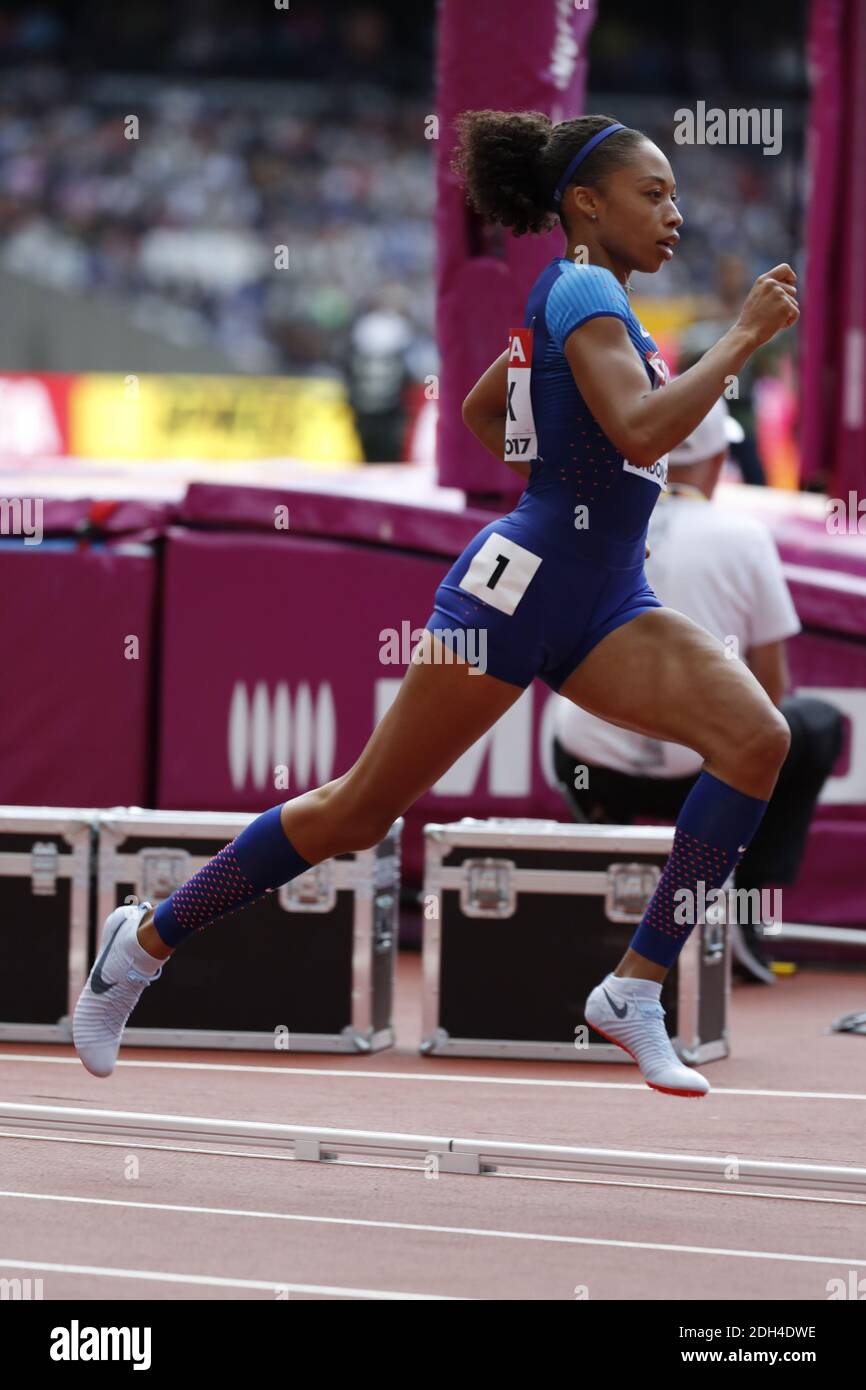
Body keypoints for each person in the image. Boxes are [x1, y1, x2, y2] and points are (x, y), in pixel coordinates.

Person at [73, 113, 800, 1099]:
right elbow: (634, 431)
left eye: (674, 195)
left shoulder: (586, 302)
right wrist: (742, 340)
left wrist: (553, 472)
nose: (675, 214)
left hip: (604, 598)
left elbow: (484, 409)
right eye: (653, 193)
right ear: (584, 204)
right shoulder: (582, 285)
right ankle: (144, 939)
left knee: (755, 740)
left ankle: (633, 985)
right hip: (517, 590)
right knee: (358, 808)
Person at [552, 396, 844, 983]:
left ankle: (598, 894)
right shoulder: (743, 535)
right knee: (808, 727)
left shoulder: (591, 519)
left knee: (580, 718)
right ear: (715, 461)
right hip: (706, 778)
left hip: (592, 763)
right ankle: (745, 904)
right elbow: (773, 692)